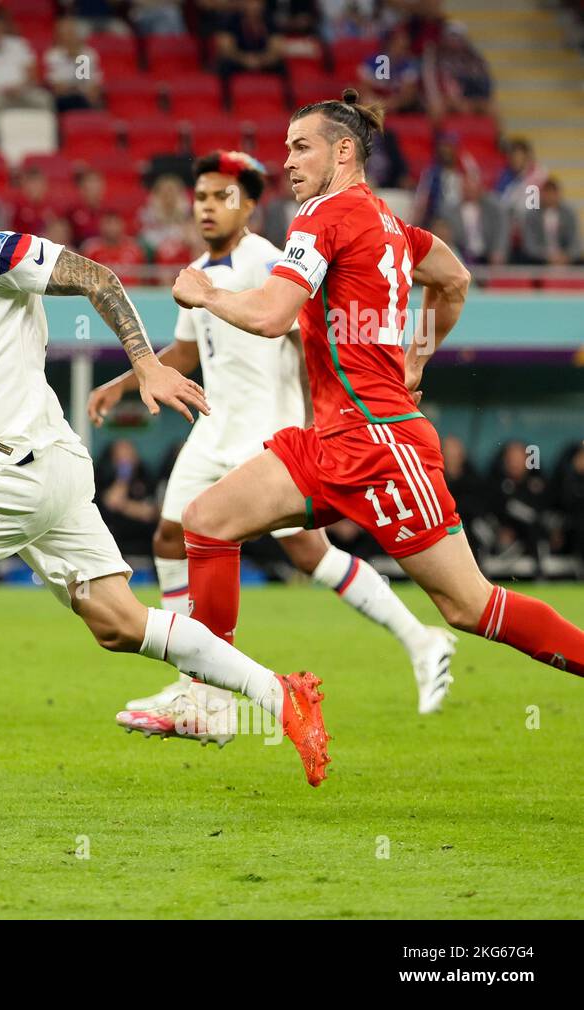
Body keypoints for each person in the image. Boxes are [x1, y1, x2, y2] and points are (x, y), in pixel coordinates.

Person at [0, 125, 330, 787]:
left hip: (20, 468)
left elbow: (96, 277)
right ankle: (284, 696)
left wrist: (145, 367)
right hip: (46, 467)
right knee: (119, 622)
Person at [168, 90, 584, 706]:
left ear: (343, 151)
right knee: (206, 521)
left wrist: (206, 294)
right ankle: (212, 700)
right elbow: (454, 279)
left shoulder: (323, 215)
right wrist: (418, 354)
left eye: (300, 147)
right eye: (285, 149)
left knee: (468, 606)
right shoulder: (391, 225)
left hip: (382, 443)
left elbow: (275, 315)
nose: (287, 161)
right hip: (335, 439)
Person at [91, 150, 458, 734]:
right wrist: (122, 382)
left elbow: (297, 332)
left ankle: (420, 638)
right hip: (214, 425)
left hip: (267, 423)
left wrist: (325, 418)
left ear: (250, 205)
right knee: (169, 536)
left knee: (306, 553)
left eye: (223, 197)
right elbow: (186, 352)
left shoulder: (271, 258)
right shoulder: (197, 268)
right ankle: (196, 679)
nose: (209, 208)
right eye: (203, 197)